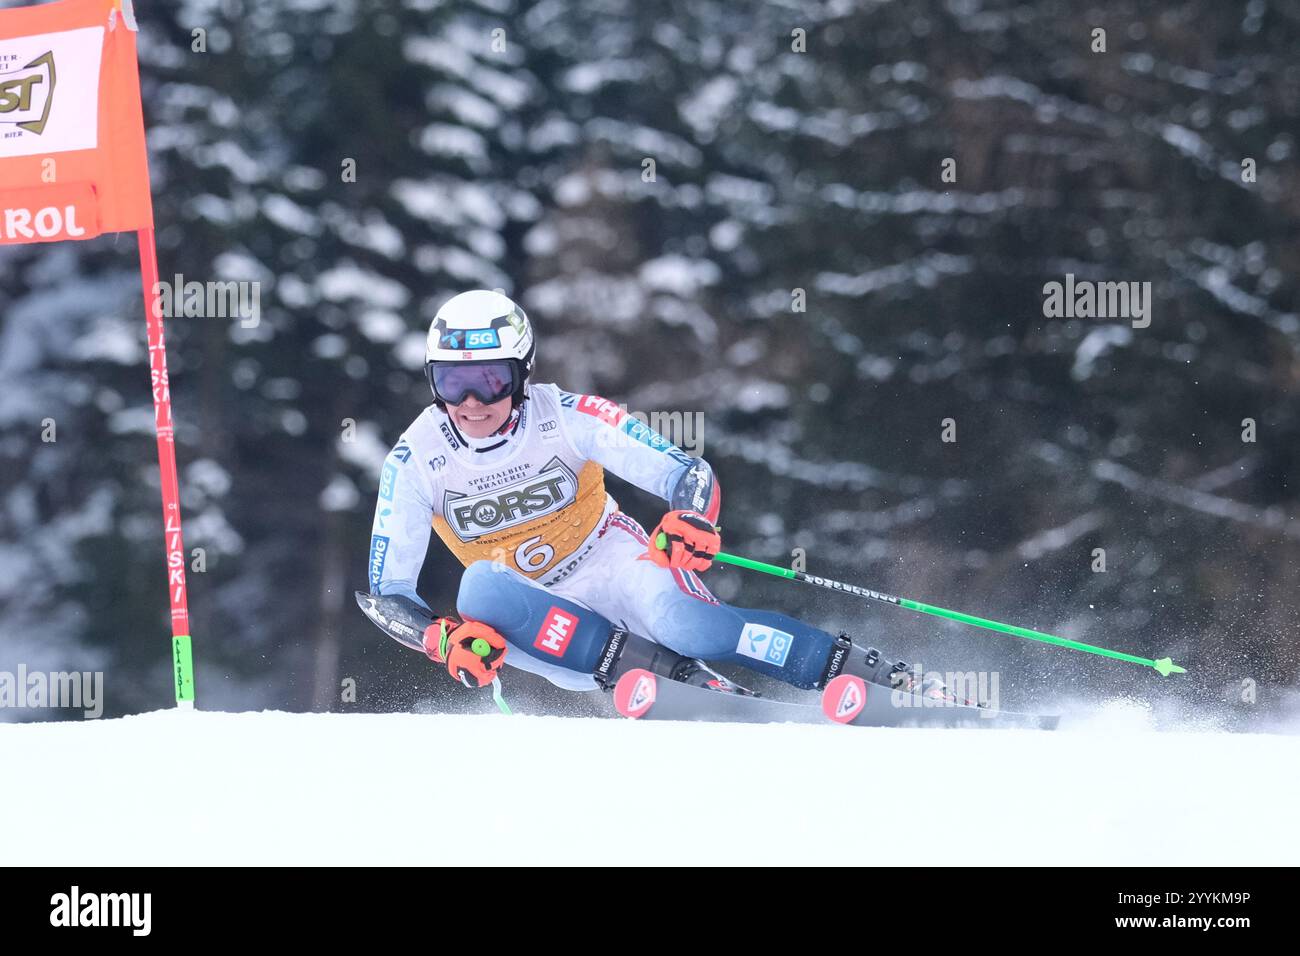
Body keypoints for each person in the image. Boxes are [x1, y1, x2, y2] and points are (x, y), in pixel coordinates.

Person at [367, 289, 938, 700]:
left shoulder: (566, 415)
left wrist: (691, 518)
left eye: (488, 379)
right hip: (538, 617)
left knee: (691, 628)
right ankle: (677, 683)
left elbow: (684, 472)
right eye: (449, 381)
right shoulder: (416, 459)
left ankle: (863, 673)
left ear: (522, 373)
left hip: (611, 559)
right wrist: (438, 638)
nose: (469, 401)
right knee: (479, 588)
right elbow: (384, 591)